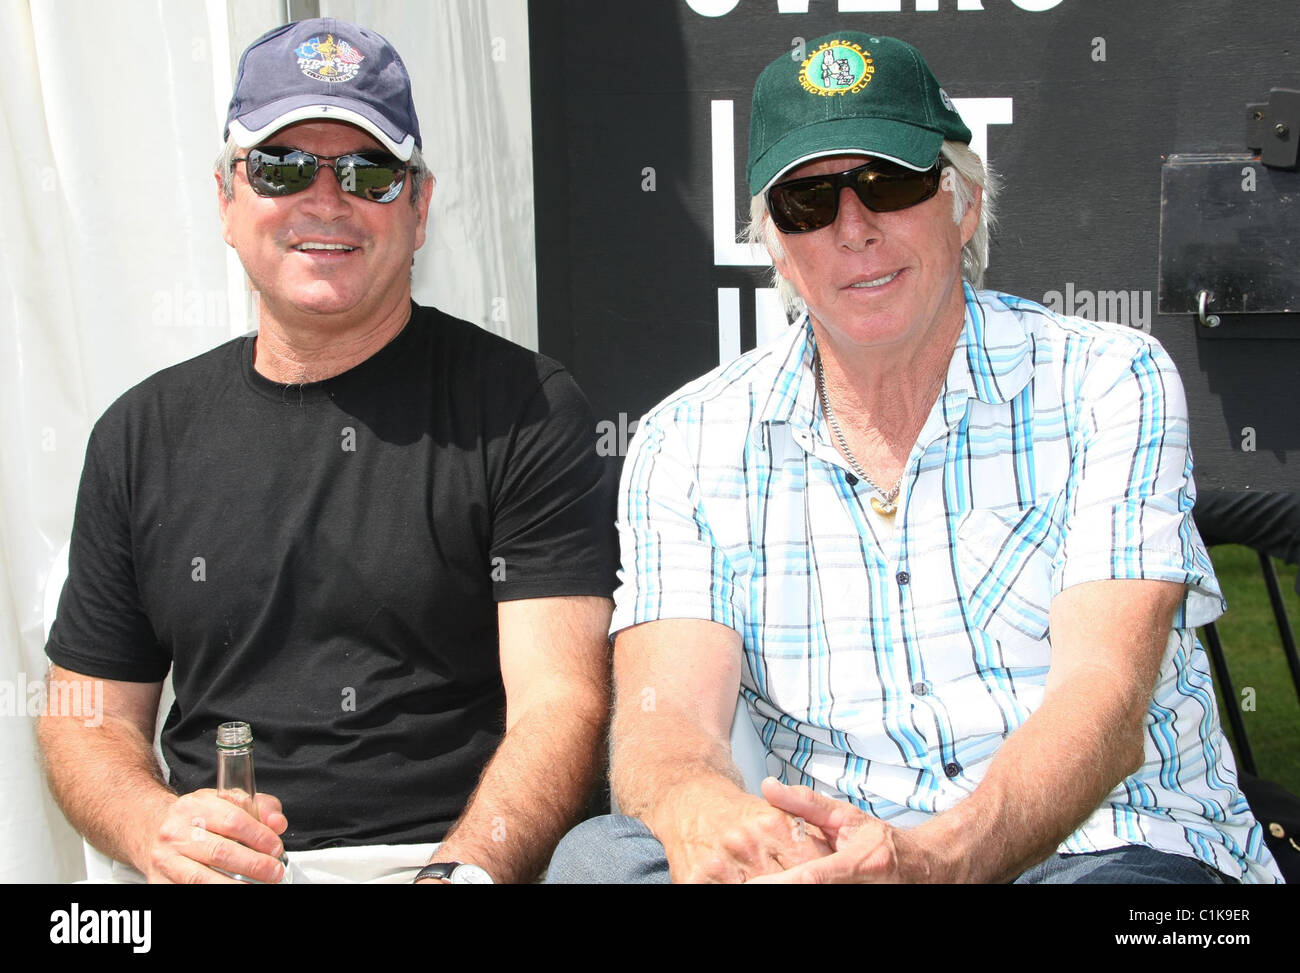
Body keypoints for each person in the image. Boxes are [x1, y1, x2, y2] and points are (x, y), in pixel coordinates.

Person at [548, 30, 1282, 884]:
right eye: (808, 203)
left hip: (1108, 848)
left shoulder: (1108, 381)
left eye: (890, 183)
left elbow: (1106, 701)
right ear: (775, 243)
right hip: (828, 859)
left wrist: (933, 860)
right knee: (598, 859)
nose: (853, 229)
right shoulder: (686, 441)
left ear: (964, 202)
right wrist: (696, 802)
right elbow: (665, 720)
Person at [39, 17, 617, 885]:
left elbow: (560, 701)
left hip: (446, 859)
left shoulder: (525, 409)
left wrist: (463, 870)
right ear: (226, 200)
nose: (325, 200)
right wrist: (153, 823)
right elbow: (83, 710)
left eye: (369, 172)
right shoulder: (138, 434)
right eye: (281, 167)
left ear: (419, 208)